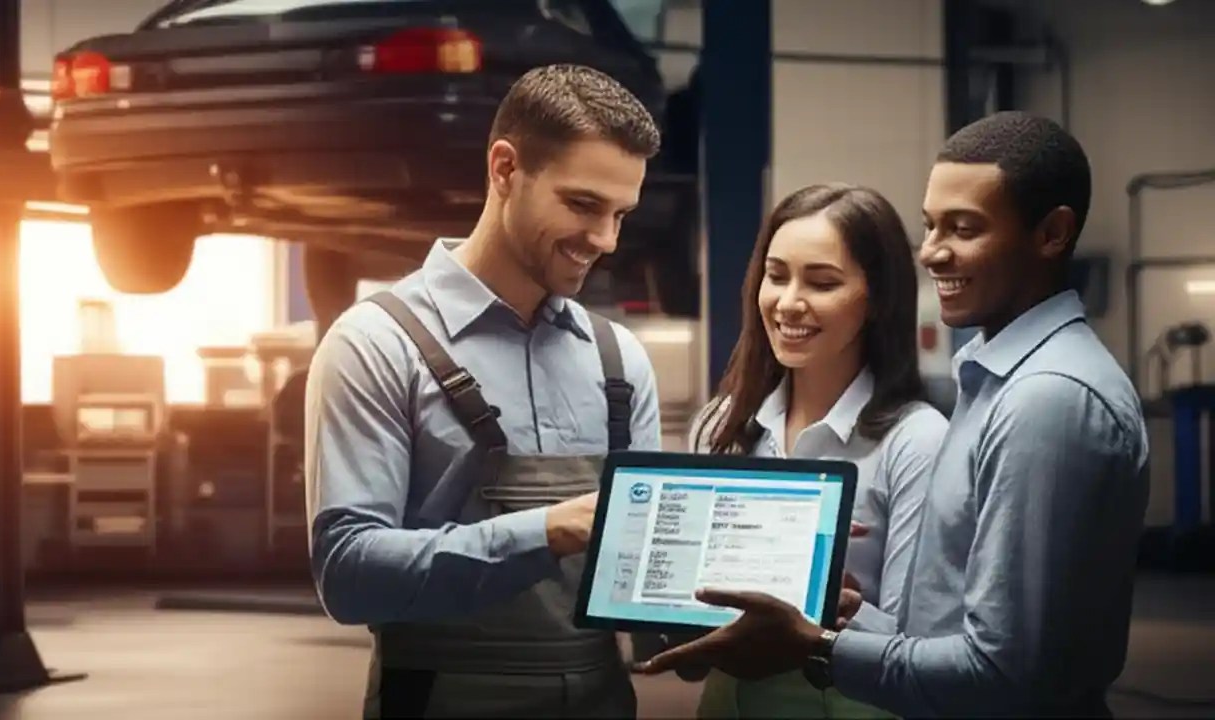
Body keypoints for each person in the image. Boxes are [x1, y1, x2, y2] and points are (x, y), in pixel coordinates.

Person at [639, 110, 1151, 719]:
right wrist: (846, 617)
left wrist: (818, 645)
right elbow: (935, 626)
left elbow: (1004, 672)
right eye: (931, 226)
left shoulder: (1045, 399)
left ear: (1051, 234)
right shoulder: (994, 384)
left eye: (963, 228)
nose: (932, 253)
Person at [303, 64, 664, 718]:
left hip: (599, 698)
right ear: (504, 169)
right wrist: (545, 530)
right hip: (440, 697)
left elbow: (642, 594)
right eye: (583, 205)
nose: (605, 241)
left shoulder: (620, 362)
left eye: (620, 215)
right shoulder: (377, 345)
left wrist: (768, 603)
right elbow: (348, 575)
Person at [683, 183, 947, 718]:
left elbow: (917, 643)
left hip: (851, 704)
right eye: (776, 276)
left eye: (822, 282)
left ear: (877, 299)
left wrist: (822, 614)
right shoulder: (720, 426)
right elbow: (686, 643)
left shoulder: (915, 440)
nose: (789, 302)